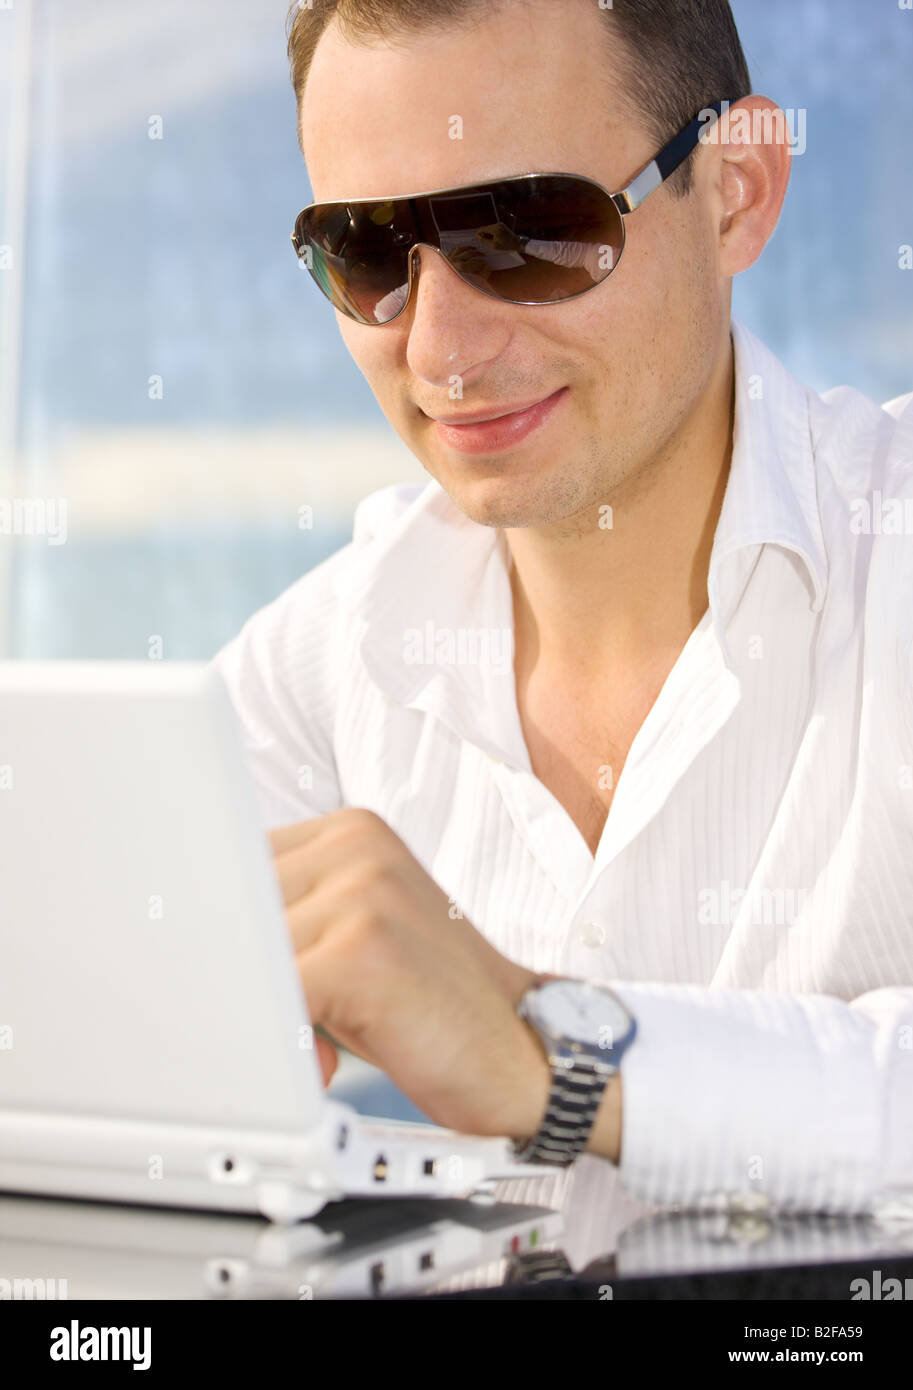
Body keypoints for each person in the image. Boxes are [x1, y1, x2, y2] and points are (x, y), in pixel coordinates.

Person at [213, 0, 913, 1222]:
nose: (441, 353)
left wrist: (553, 1061)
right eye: (367, 253)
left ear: (738, 189)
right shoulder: (306, 682)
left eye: (525, 232)